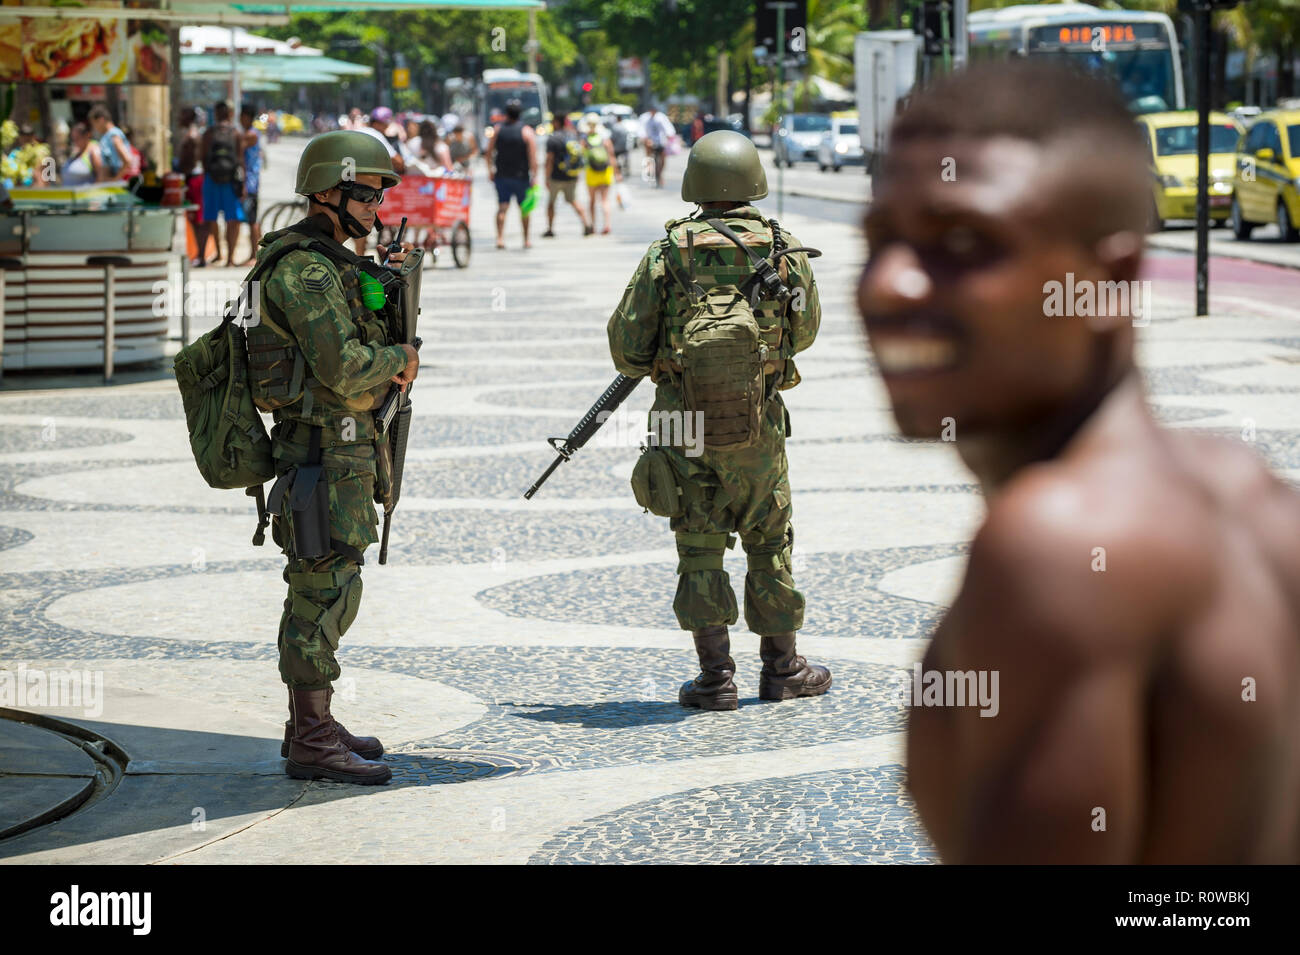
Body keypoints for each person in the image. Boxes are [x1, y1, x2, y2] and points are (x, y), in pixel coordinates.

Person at [859, 61, 1300, 864]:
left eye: (965, 242)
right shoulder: (1260, 502)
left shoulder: (1060, 547)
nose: (889, 284)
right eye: (880, 238)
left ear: (1113, 279)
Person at [607, 131, 828, 711]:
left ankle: (714, 680)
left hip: (684, 423)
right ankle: (783, 669)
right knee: (769, 539)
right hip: (757, 422)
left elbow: (627, 349)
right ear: (753, 178)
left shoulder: (667, 253)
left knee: (699, 545)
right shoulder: (783, 248)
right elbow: (803, 334)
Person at [251, 129, 420, 785]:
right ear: (330, 191)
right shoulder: (307, 270)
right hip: (322, 451)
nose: (376, 208)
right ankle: (313, 737)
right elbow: (344, 367)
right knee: (320, 589)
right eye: (368, 195)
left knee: (331, 582)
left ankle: (310, 723)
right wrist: (398, 362)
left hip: (337, 451)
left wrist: (383, 283)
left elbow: (361, 326)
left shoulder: (333, 264)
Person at [196, 100, 245, 267]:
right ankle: (230, 258)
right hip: (231, 181)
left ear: (216, 114)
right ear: (231, 113)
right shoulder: (236, 133)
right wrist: (242, 183)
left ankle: (216, 253)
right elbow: (240, 159)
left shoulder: (209, 132)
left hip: (211, 179)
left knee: (210, 218)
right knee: (233, 220)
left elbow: (202, 157)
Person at [486, 99, 537, 250]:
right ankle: (526, 239)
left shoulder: (498, 129)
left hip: (502, 175)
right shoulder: (526, 131)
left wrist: (490, 170)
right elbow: (532, 156)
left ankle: (500, 238)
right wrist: (534, 175)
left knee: (502, 207)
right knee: (525, 209)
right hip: (521, 176)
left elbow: (488, 153)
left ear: (506, 113)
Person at [543, 112, 590, 238]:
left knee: (551, 203)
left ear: (556, 122)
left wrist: (546, 177)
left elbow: (549, 160)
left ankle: (550, 228)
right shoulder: (572, 135)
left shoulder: (553, 138)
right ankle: (586, 224)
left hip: (556, 177)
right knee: (573, 200)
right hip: (571, 176)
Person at [239, 104, 264, 265]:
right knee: (251, 219)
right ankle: (256, 253)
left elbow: (237, 147)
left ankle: (255, 255)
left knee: (252, 219)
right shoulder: (250, 133)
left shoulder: (250, 135)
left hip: (250, 182)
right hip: (250, 180)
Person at [87, 104, 136, 181]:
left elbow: (127, 160)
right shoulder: (107, 136)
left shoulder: (113, 135)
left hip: (118, 186)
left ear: (101, 120)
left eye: (94, 124)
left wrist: (115, 179)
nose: (95, 128)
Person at [639, 105, 675, 188]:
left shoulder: (661, 117)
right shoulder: (644, 118)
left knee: (662, 158)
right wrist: (645, 138)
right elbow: (641, 129)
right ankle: (649, 169)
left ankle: (660, 174)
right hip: (649, 140)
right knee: (649, 156)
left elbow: (668, 128)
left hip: (660, 141)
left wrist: (669, 135)